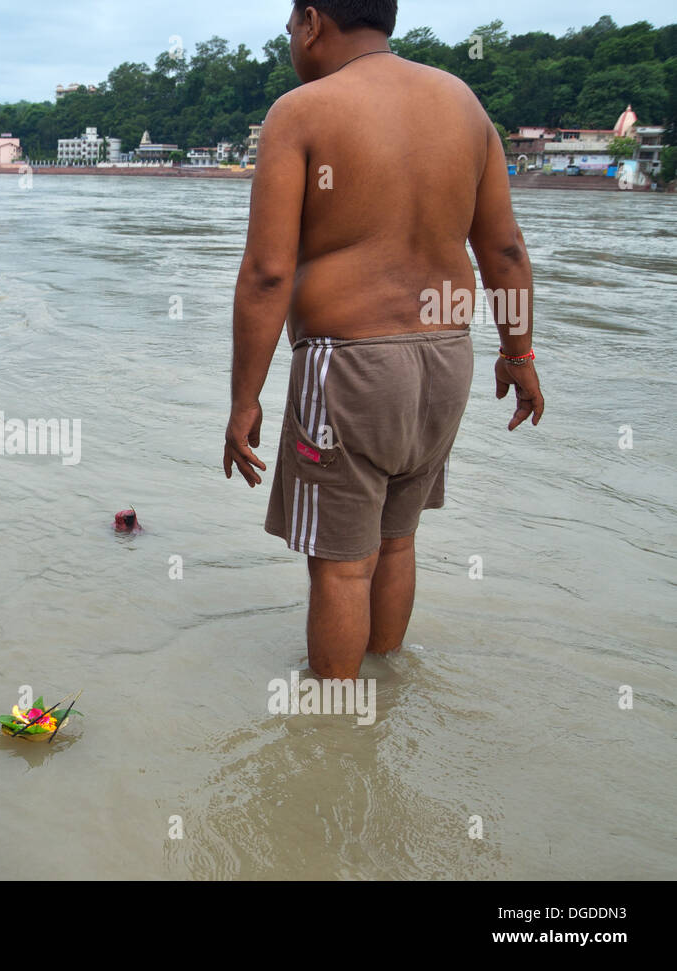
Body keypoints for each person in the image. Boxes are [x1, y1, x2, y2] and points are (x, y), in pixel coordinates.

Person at [222, 0, 545, 679]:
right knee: (396, 543)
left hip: (350, 366)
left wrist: (243, 398)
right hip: (446, 358)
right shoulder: (463, 103)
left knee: (341, 569)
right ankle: (387, 690)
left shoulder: (302, 111)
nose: (289, 40)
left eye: (288, 26)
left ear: (313, 21)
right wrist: (519, 353)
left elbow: (267, 271)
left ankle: (333, 739)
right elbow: (506, 250)